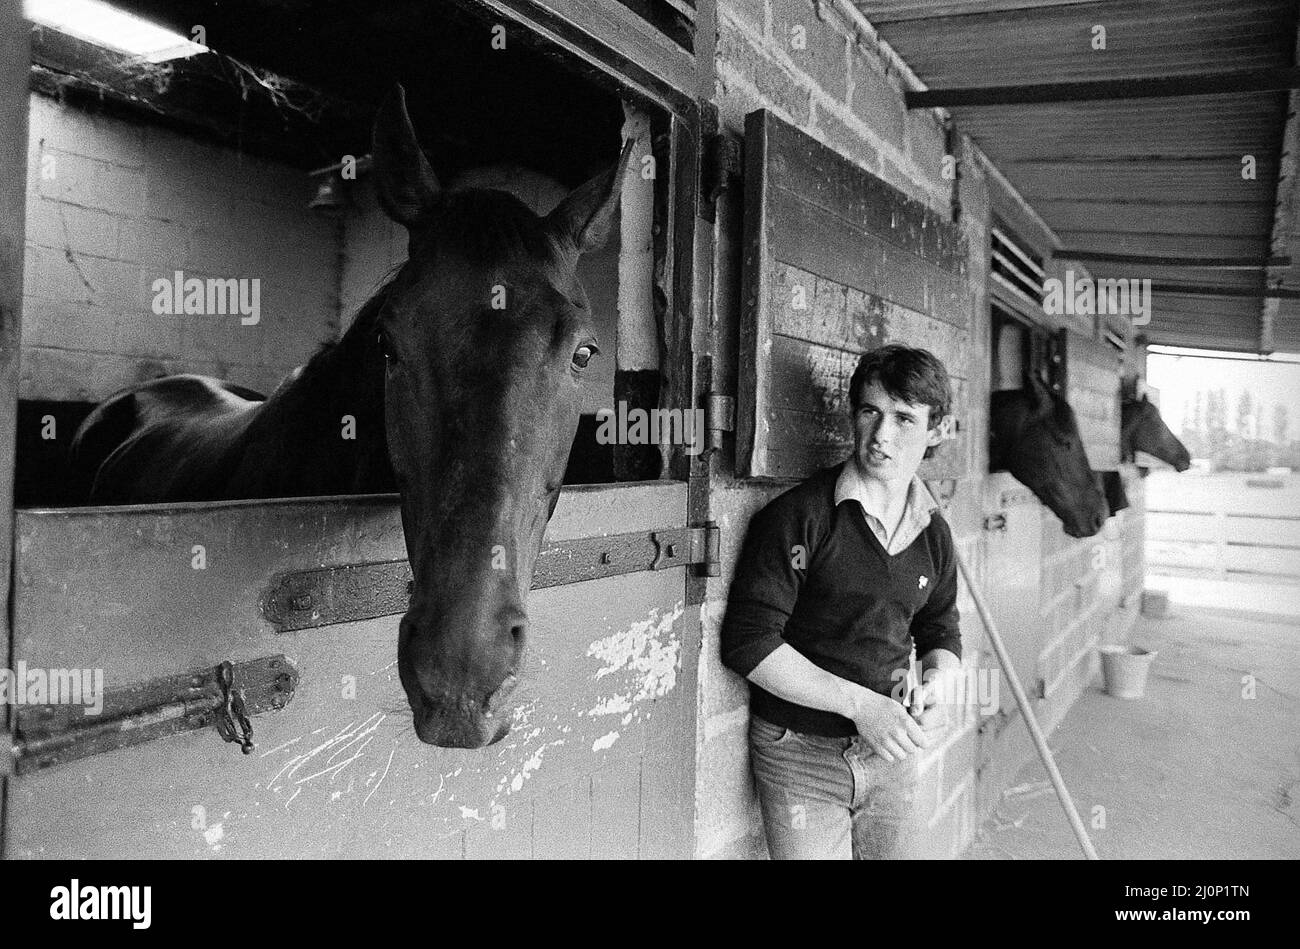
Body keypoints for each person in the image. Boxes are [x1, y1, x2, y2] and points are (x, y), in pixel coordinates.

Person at [720, 344, 963, 859]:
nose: (881, 435)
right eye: (870, 411)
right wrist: (861, 705)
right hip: (799, 752)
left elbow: (940, 627)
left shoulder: (933, 532)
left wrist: (939, 686)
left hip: (892, 747)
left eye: (904, 418)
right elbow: (747, 643)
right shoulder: (799, 517)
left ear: (938, 430)